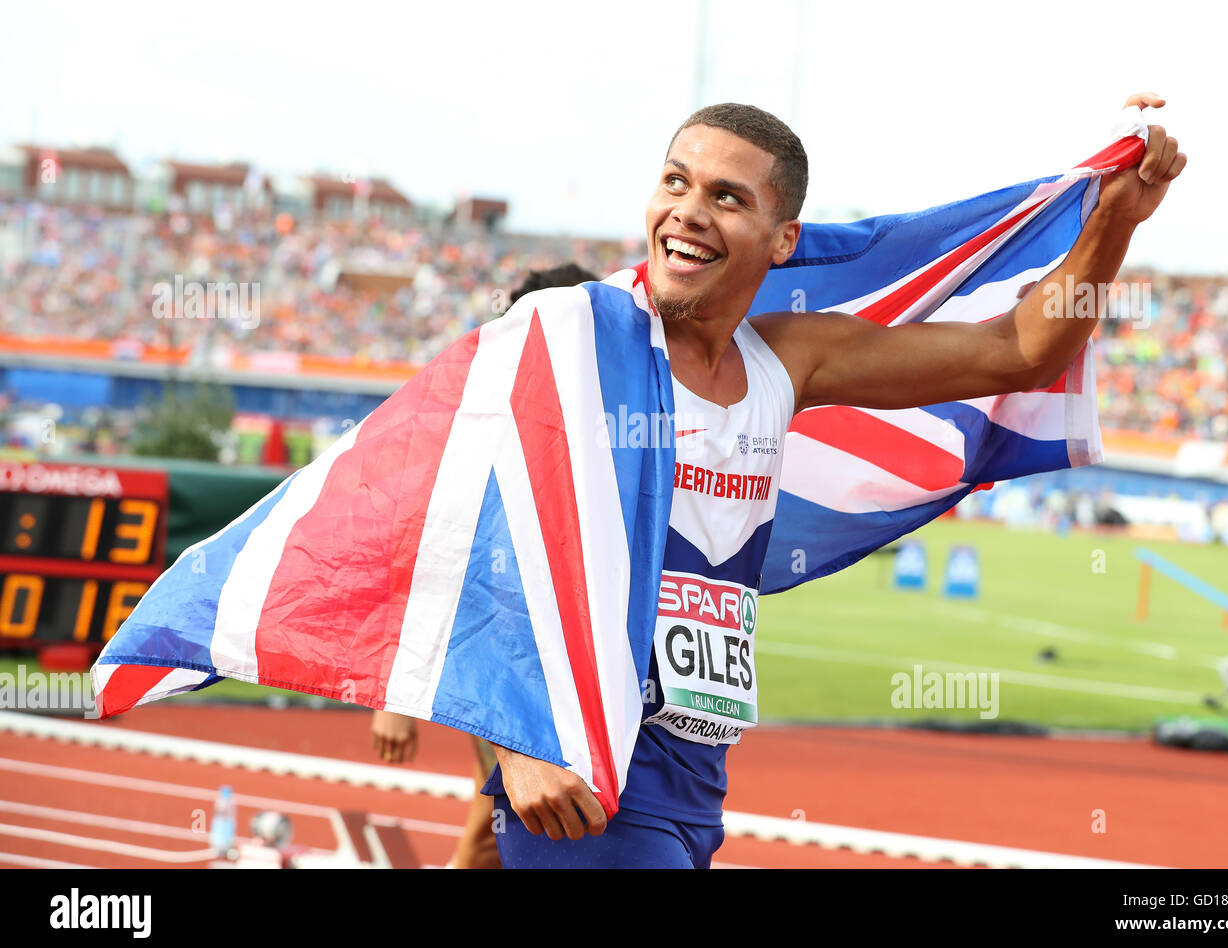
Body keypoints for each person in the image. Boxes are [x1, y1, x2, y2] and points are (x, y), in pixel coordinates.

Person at [479, 96, 1186, 868]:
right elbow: (468, 529)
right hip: (587, 777)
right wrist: (513, 749)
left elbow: (1016, 352)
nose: (688, 212)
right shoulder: (581, 337)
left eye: (726, 197)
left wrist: (1115, 221)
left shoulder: (787, 360)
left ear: (784, 241)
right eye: (675, 182)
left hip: (693, 784)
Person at [370, 263, 600, 869]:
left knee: (538, 835)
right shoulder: (488, 429)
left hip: (586, 681)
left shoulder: (601, 427)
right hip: (508, 674)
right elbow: (431, 548)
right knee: (499, 830)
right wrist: (396, 699)